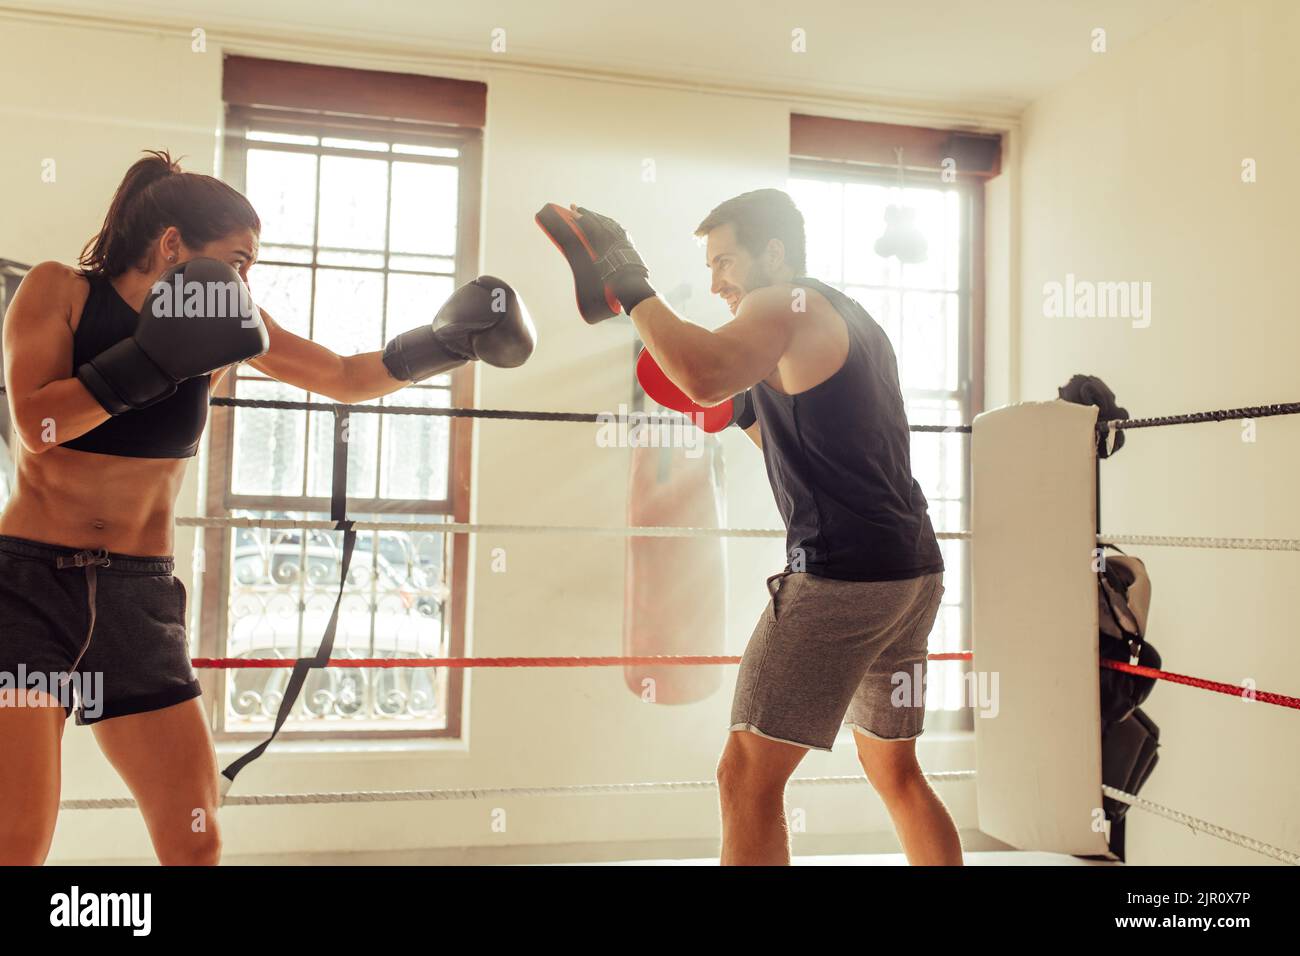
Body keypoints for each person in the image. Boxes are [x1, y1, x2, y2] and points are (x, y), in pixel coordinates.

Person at [0, 150, 534, 865]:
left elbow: (342, 375)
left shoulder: (231, 319)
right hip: (29, 591)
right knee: (16, 843)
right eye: (238, 260)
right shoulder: (59, 290)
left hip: (136, 596)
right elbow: (36, 424)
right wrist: (153, 361)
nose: (245, 279)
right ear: (170, 245)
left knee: (196, 843)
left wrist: (443, 345)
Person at [541, 189, 961, 865]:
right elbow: (803, 442)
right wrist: (742, 411)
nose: (716, 283)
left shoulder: (780, 303)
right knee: (896, 772)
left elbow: (703, 373)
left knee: (744, 775)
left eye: (726, 261)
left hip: (841, 579)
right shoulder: (844, 316)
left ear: (774, 254)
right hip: (911, 573)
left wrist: (627, 278)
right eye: (709, 267)